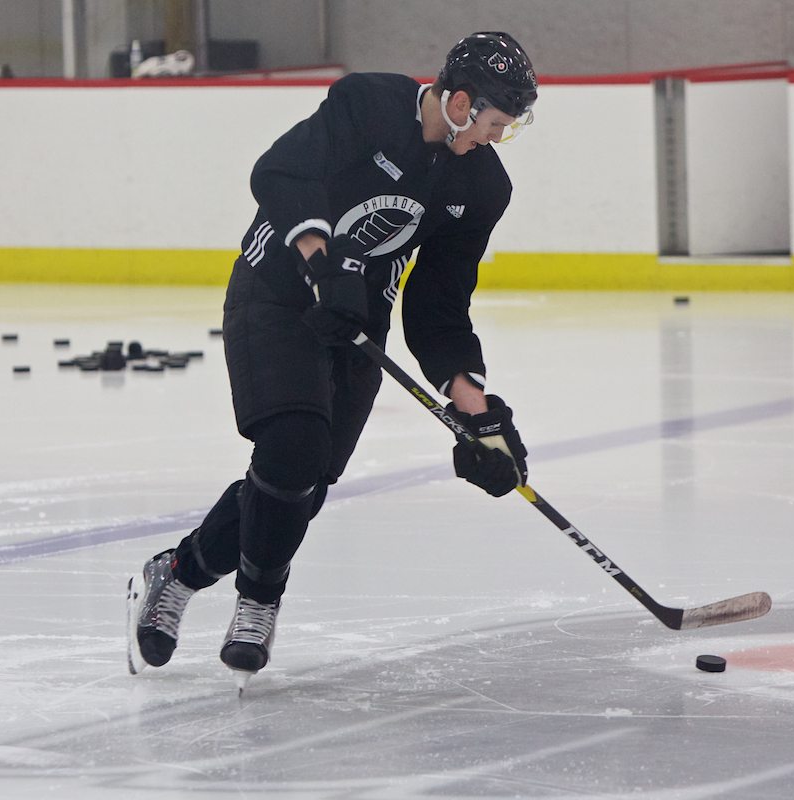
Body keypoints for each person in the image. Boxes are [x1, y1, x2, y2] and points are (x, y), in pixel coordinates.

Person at [126, 32, 537, 685]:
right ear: (459, 101)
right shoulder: (369, 104)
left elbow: (438, 309)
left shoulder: (481, 185)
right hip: (277, 293)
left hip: (356, 326)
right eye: (491, 124)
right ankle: (260, 601)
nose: (493, 138)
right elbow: (280, 172)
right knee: (292, 446)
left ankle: (177, 574)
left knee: (301, 485)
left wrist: (477, 411)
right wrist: (326, 264)